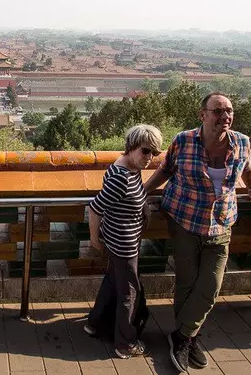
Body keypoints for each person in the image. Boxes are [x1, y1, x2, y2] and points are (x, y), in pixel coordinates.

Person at [144, 92, 251, 372]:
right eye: (218, 111)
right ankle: (189, 337)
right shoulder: (183, 140)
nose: (225, 116)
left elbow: (248, 169)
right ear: (203, 115)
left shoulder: (242, 142)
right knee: (187, 282)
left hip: (221, 222)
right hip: (184, 219)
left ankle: (182, 335)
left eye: (229, 111)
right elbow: (165, 171)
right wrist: (140, 193)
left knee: (211, 285)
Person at [85, 124, 163, 359]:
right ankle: (125, 343)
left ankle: (94, 323)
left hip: (122, 240)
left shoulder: (129, 167)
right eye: (146, 151)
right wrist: (94, 239)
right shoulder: (121, 177)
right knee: (129, 293)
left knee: (112, 283)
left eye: (155, 153)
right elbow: (95, 208)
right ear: (131, 147)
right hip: (123, 245)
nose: (150, 157)